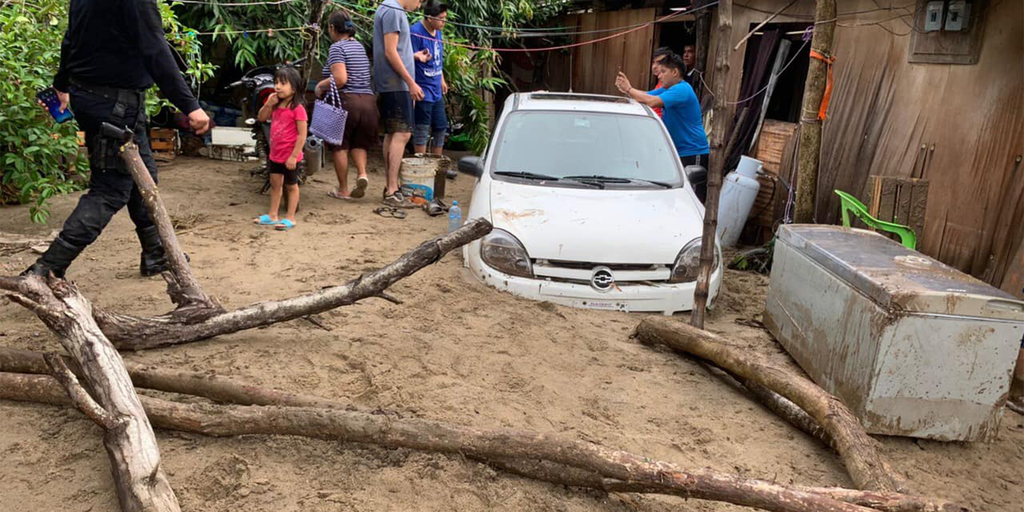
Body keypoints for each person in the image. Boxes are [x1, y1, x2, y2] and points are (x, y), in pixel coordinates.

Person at [23, 0, 210, 279]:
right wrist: (190, 106)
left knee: (143, 175)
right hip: (115, 106)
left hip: (96, 99)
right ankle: (45, 270)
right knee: (110, 188)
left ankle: (156, 252)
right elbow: (156, 51)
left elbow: (70, 38)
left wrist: (62, 84)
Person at [317, 10, 379, 201]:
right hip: (368, 104)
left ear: (332, 28)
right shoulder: (358, 46)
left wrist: (321, 85)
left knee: (340, 146)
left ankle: (343, 189)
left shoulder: (337, 48)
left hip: (347, 102)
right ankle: (362, 174)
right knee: (359, 143)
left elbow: (341, 78)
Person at [373, 0, 429, 208]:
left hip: (392, 82)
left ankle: (392, 186)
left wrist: (413, 56)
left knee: (392, 133)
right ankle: (392, 190)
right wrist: (411, 82)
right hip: (396, 83)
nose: (420, 5)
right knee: (402, 134)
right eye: (420, 1)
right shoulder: (394, 10)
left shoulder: (388, 8)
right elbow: (390, 51)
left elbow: (394, 49)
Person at [615, 53, 709, 168]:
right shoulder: (668, 89)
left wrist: (628, 89)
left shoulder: (682, 89)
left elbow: (651, 101)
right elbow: (645, 95)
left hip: (692, 152)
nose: (659, 76)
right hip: (676, 151)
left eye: (663, 72)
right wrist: (627, 91)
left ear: (674, 72)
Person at [253, 67, 307, 231]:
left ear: (294, 87)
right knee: (275, 184)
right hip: (275, 154)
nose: (277, 87)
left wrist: (294, 156)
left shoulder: (298, 109)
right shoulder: (275, 104)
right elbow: (261, 118)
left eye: (283, 83)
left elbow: (302, 135)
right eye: (276, 82)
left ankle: (290, 217)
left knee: (291, 186)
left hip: (290, 156)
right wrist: (268, 104)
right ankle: (272, 215)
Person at [410, 1, 449, 156]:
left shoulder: (438, 31)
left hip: (436, 87)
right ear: (429, 17)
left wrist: (442, 79)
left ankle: (436, 163)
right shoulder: (415, 32)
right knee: (422, 128)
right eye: (441, 18)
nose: (444, 22)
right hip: (422, 88)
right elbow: (406, 59)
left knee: (441, 126)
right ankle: (421, 163)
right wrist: (411, 85)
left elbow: (438, 58)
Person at [650, 46, 672, 118]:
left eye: (659, 63)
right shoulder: (660, 82)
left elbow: (650, 100)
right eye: (653, 62)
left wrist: (628, 89)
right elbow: (647, 95)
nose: (654, 66)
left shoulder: (669, 85)